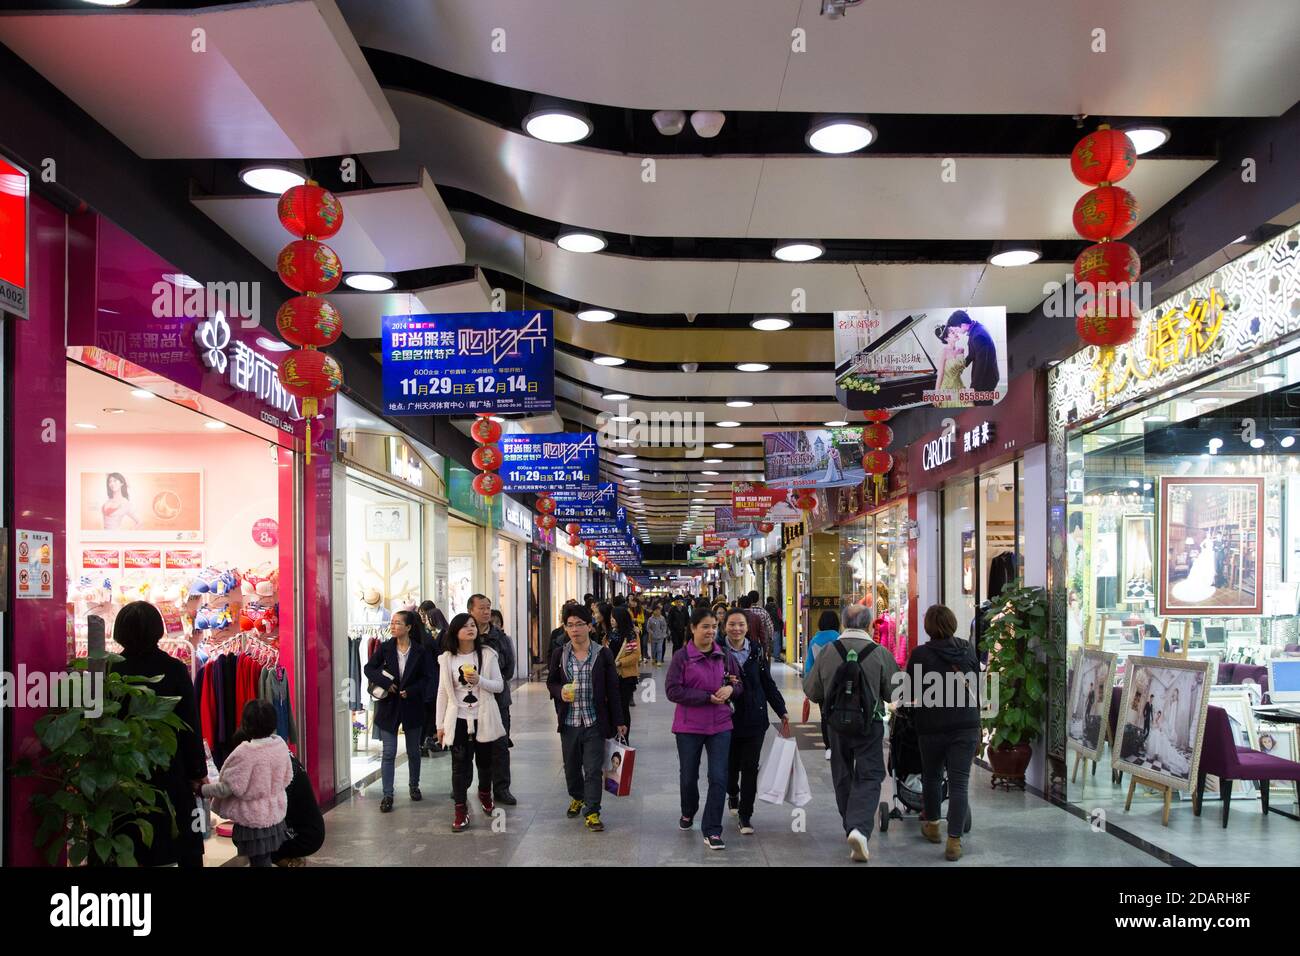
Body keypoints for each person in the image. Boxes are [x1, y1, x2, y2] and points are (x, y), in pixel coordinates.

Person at [111, 600, 207, 867]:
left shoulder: (110, 671)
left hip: (123, 772)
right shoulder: (174, 669)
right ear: (158, 630)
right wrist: (197, 772)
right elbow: (189, 725)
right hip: (170, 770)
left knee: (128, 840)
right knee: (177, 837)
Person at [803, 603, 899, 864]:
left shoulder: (827, 651)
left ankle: (851, 826)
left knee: (842, 772)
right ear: (869, 625)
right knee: (869, 775)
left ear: (843, 625)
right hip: (870, 725)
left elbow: (812, 691)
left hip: (836, 725)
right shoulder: (879, 652)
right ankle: (859, 829)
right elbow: (895, 693)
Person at [903, 605, 981, 862]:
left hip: (932, 725)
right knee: (959, 784)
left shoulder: (920, 655)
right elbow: (976, 683)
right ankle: (954, 842)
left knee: (932, 776)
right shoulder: (967, 649)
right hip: (965, 724)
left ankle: (934, 826)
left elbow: (909, 692)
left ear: (928, 626)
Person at [666, 606, 743, 850]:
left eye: (713, 626)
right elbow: (672, 690)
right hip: (689, 726)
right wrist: (706, 697)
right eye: (705, 627)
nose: (711, 632)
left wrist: (731, 689)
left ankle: (712, 829)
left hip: (720, 724)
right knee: (689, 775)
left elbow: (738, 683)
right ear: (693, 628)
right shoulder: (682, 657)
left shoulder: (724, 655)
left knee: (719, 777)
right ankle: (688, 811)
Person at [547, 604, 627, 832]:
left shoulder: (602, 654)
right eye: (569, 625)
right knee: (571, 767)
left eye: (579, 624)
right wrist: (559, 691)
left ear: (590, 627)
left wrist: (620, 721)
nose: (574, 629)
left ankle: (592, 811)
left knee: (592, 769)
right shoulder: (559, 654)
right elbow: (551, 682)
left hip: (594, 721)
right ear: (565, 627)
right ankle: (577, 797)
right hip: (569, 722)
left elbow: (613, 689)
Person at [435, 612, 506, 831]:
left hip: (483, 717)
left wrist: (479, 680)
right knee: (459, 766)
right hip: (457, 719)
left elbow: (499, 686)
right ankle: (460, 809)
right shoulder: (447, 659)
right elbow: (442, 693)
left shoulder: (487, 654)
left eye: (473, 625)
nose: (471, 629)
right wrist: (439, 725)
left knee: (484, 763)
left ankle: (484, 794)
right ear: (455, 632)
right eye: (465, 626)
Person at [721, 609, 790, 834]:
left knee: (750, 767)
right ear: (725, 627)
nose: (737, 628)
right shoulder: (718, 652)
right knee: (730, 767)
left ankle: (745, 815)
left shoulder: (757, 651)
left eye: (741, 624)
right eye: (732, 624)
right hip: (727, 719)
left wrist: (781, 710)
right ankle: (732, 792)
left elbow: (767, 683)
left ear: (747, 627)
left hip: (755, 718)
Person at [201, 700, 293, 867]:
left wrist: (202, 789)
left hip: (253, 822)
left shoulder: (246, 753)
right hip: (274, 817)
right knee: (264, 860)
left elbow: (226, 788)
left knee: (259, 862)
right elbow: (287, 778)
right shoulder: (279, 745)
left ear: (246, 724)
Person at [363, 609, 434, 812]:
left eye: (397, 623)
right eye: (392, 623)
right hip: (389, 706)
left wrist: (411, 691)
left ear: (409, 627)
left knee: (413, 751)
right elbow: (369, 669)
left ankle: (414, 786)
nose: (393, 626)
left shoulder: (420, 651)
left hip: (412, 706)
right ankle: (388, 795)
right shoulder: (385, 648)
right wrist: (386, 683)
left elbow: (428, 678)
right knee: (389, 753)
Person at [470, 594, 518, 806]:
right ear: (471, 610)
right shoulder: (463, 635)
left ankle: (501, 788)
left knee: (499, 746)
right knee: (473, 746)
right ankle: (473, 787)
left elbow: (508, 670)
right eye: (482, 608)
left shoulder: (501, 638)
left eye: (488, 608)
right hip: (470, 702)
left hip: (498, 701)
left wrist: (490, 682)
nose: (487, 612)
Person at [269, 749, 326, 866]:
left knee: (245, 837)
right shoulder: (284, 756)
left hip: (304, 838)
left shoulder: (280, 767)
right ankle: (290, 858)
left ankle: (287, 862)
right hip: (311, 834)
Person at [805, 610, 842, 760]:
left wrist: (808, 684)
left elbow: (809, 666)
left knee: (824, 715)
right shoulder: (839, 639)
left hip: (822, 684)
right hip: (839, 683)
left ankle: (828, 747)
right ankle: (839, 744)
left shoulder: (814, 641)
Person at [946, 309, 999, 405]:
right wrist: (960, 367)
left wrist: (972, 388)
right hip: (984, 377)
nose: (956, 332)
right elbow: (972, 355)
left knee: (981, 406)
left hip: (986, 379)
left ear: (962, 325)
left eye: (956, 330)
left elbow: (981, 365)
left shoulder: (978, 335)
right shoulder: (975, 329)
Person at [608, 606, 641, 739]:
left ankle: (624, 738)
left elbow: (635, 655)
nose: (611, 620)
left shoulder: (631, 635)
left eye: (613, 617)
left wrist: (619, 663)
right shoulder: (610, 634)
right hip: (611, 676)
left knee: (623, 708)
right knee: (613, 707)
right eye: (610, 617)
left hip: (625, 676)